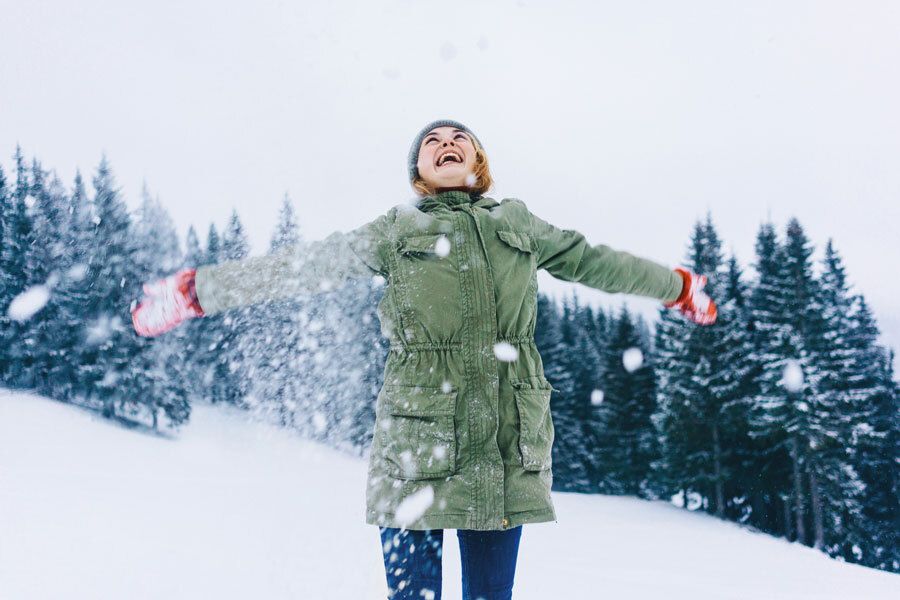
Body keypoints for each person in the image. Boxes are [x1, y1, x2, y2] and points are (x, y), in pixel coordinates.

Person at [131, 119, 717, 599]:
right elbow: (308, 264)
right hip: (416, 443)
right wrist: (197, 291)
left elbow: (598, 262)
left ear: (479, 163)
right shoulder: (397, 229)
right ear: (419, 173)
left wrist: (678, 286)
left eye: (459, 139)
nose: (446, 144)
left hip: (504, 446)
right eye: (432, 142)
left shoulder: (517, 223)